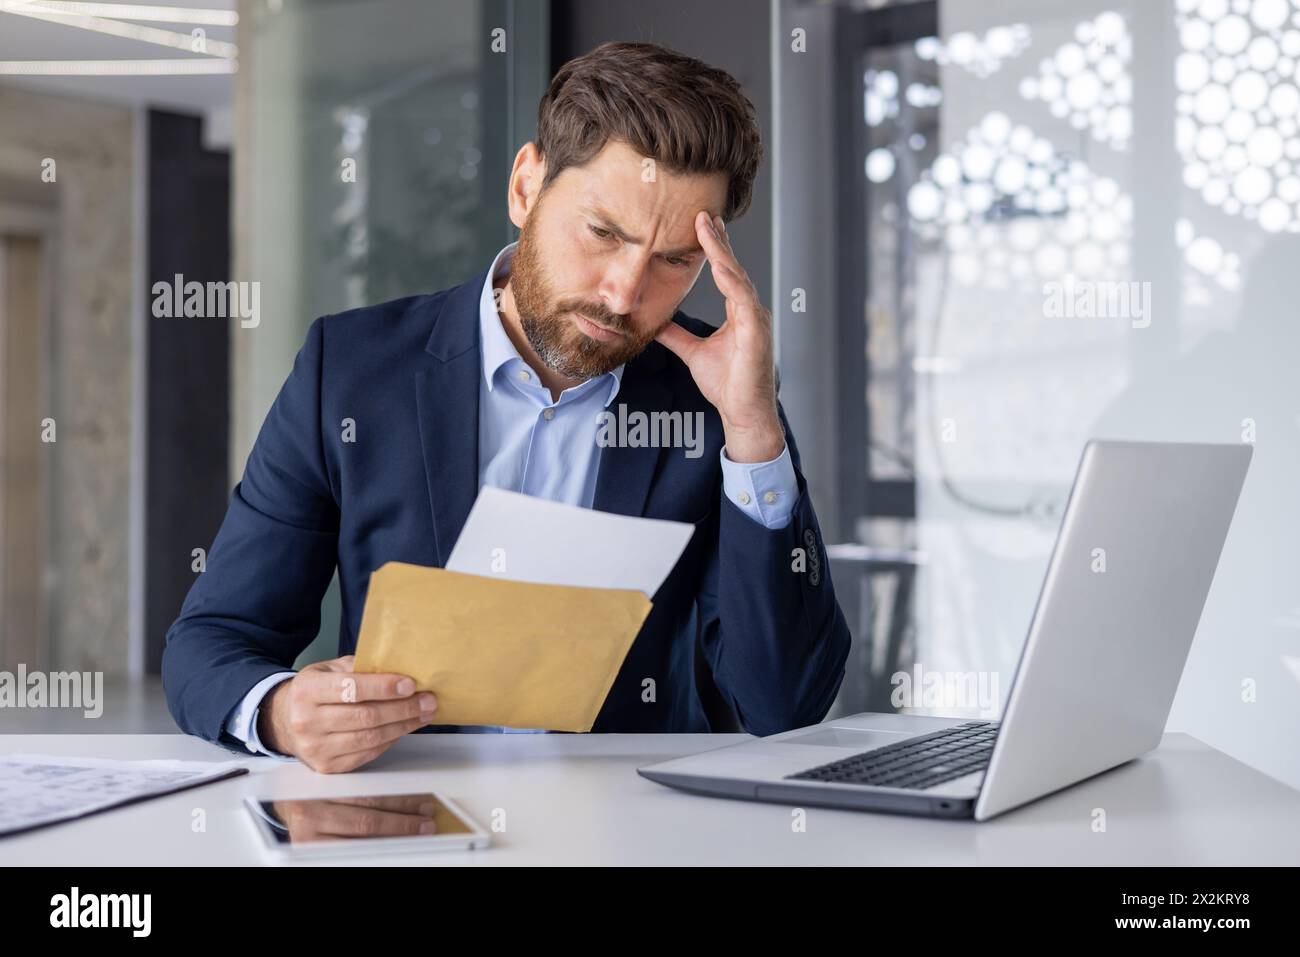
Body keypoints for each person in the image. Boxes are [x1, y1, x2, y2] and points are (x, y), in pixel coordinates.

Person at [163, 41, 850, 773]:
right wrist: (281, 711)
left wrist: (753, 432)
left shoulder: (716, 401)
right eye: (604, 233)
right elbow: (211, 642)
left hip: (632, 832)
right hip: (408, 817)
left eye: (674, 260)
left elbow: (785, 703)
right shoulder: (353, 372)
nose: (623, 292)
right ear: (526, 186)